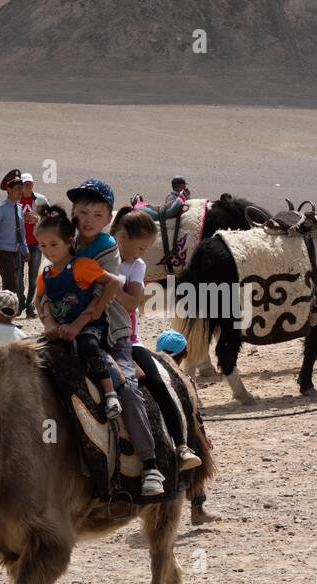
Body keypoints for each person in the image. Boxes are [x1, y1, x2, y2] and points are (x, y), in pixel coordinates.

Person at [65, 179, 164, 496]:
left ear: (108, 219)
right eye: (81, 212)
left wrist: (106, 284)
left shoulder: (114, 254)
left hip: (114, 336)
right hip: (73, 331)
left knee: (128, 389)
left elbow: (131, 301)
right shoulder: (69, 245)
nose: (87, 219)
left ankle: (150, 464)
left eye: (96, 214)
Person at [112, 207, 203, 472]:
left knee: (159, 384)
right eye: (140, 248)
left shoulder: (135, 266)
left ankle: (180, 445)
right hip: (94, 333)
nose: (142, 255)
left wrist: (107, 283)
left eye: (145, 249)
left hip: (128, 339)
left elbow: (132, 304)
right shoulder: (100, 257)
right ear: (121, 237)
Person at [34, 206, 124, 420]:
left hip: (88, 327)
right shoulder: (45, 273)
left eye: (54, 244)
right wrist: (48, 322)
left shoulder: (83, 266)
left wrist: (96, 311)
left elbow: (112, 282)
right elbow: (38, 299)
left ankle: (110, 393)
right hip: (60, 328)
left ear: (69, 241)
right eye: (43, 245)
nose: (48, 251)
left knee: (89, 348)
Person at [155, 330, 217, 524]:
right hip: (182, 431)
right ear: (186, 354)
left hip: (159, 430)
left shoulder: (150, 376)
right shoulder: (184, 379)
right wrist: (203, 438)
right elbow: (194, 414)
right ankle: (197, 510)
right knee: (198, 461)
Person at [0, 169, 28, 296]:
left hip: (16, 251)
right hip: (2, 252)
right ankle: (5, 311)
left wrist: (25, 250)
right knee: (11, 285)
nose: (20, 191)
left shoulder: (19, 208)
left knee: (13, 284)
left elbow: (21, 232)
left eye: (21, 188)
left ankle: (3, 311)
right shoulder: (0, 209)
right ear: (8, 189)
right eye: (17, 188)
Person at [19, 173, 49, 318]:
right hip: (18, 244)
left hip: (36, 244)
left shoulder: (41, 200)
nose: (28, 185)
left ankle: (29, 307)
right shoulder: (15, 200)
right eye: (25, 183)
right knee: (18, 277)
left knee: (33, 278)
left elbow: (50, 218)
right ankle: (20, 303)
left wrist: (38, 219)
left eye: (30, 183)